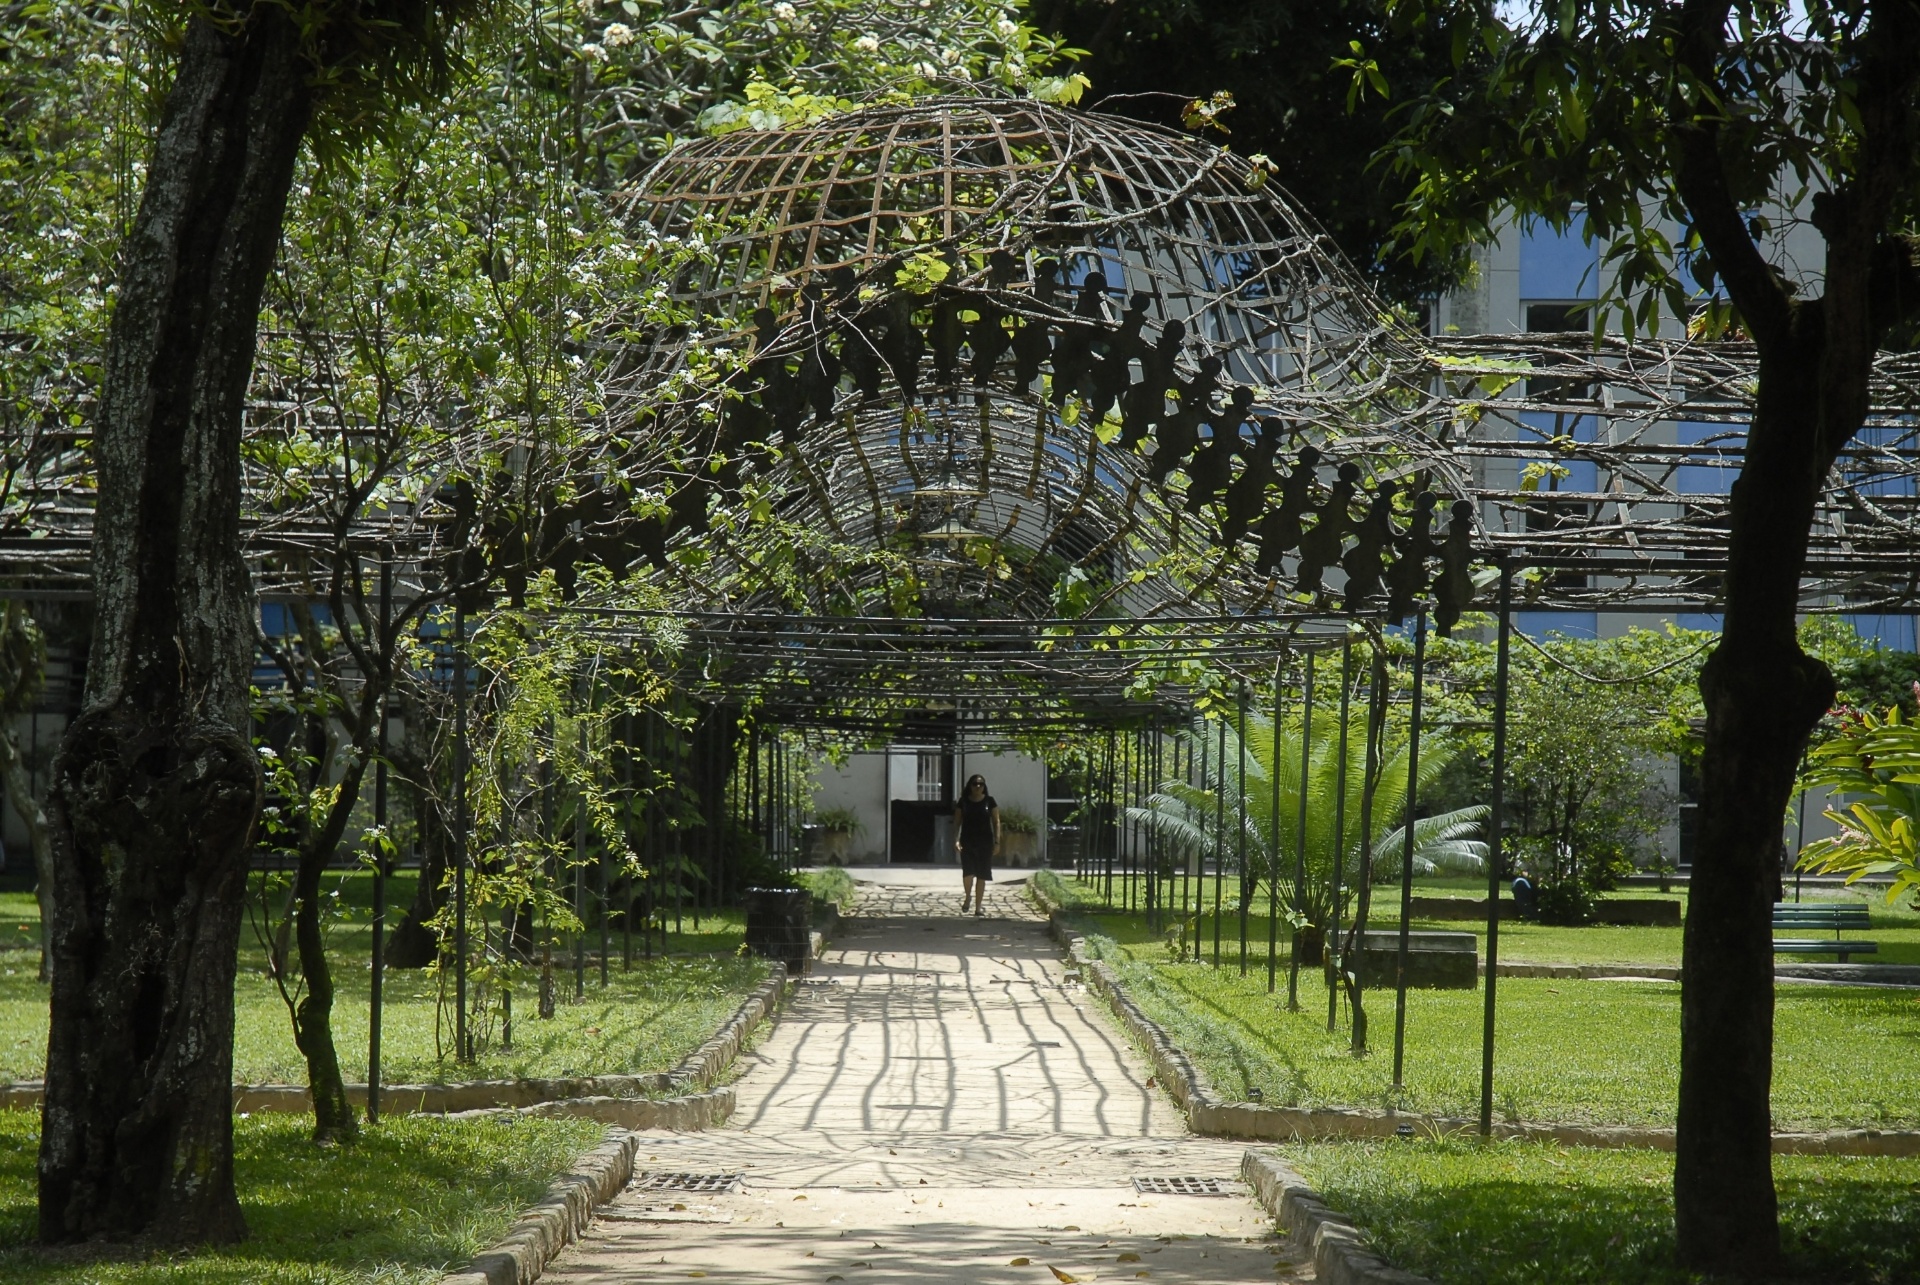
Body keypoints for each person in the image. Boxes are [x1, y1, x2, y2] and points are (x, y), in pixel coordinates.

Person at [953, 773, 999, 916]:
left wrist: (997, 841)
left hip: (985, 842)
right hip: (968, 841)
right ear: (970, 786)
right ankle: (968, 897)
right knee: (968, 872)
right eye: (975, 784)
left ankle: (978, 907)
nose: (978, 787)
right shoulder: (963, 802)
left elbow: (996, 822)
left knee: (982, 874)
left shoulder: (989, 802)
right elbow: (957, 822)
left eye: (981, 784)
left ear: (984, 786)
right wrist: (956, 839)